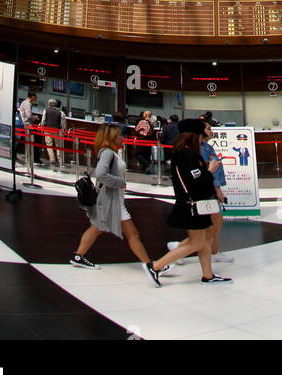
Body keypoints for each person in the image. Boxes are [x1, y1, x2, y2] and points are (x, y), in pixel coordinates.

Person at [70, 124, 161, 280]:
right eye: (120, 135)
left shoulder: (109, 152)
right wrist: (120, 182)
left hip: (111, 199)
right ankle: (151, 266)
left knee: (97, 228)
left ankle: (78, 256)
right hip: (110, 201)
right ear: (112, 137)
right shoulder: (107, 153)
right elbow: (101, 174)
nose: (123, 138)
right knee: (133, 235)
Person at [149, 119, 231, 285]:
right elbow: (196, 182)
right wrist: (209, 170)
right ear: (194, 135)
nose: (203, 138)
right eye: (201, 135)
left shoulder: (183, 153)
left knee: (206, 239)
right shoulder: (187, 154)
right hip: (193, 205)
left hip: (196, 204)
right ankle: (155, 266)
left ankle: (208, 275)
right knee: (197, 242)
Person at [168, 119, 232, 267]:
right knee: (209, 229)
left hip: (207, 190)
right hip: (204, 193)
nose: (210, 131)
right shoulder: (197, 149)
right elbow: (200, 173)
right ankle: (172, 254)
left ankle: (212, 253)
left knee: (213, 226)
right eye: (207, 129)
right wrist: (217, 189)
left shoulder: (206, 147)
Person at [41, 96, 66, 168]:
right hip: (57, 131)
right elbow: (63, 124)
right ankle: (60, 160)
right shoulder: (61, 113)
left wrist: (42, 127)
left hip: (48, 130)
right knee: (58, 146)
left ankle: (52, 159)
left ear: (49, 104)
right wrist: (63, 130)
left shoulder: (46, 110)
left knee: (49, 145)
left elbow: (43, 121)